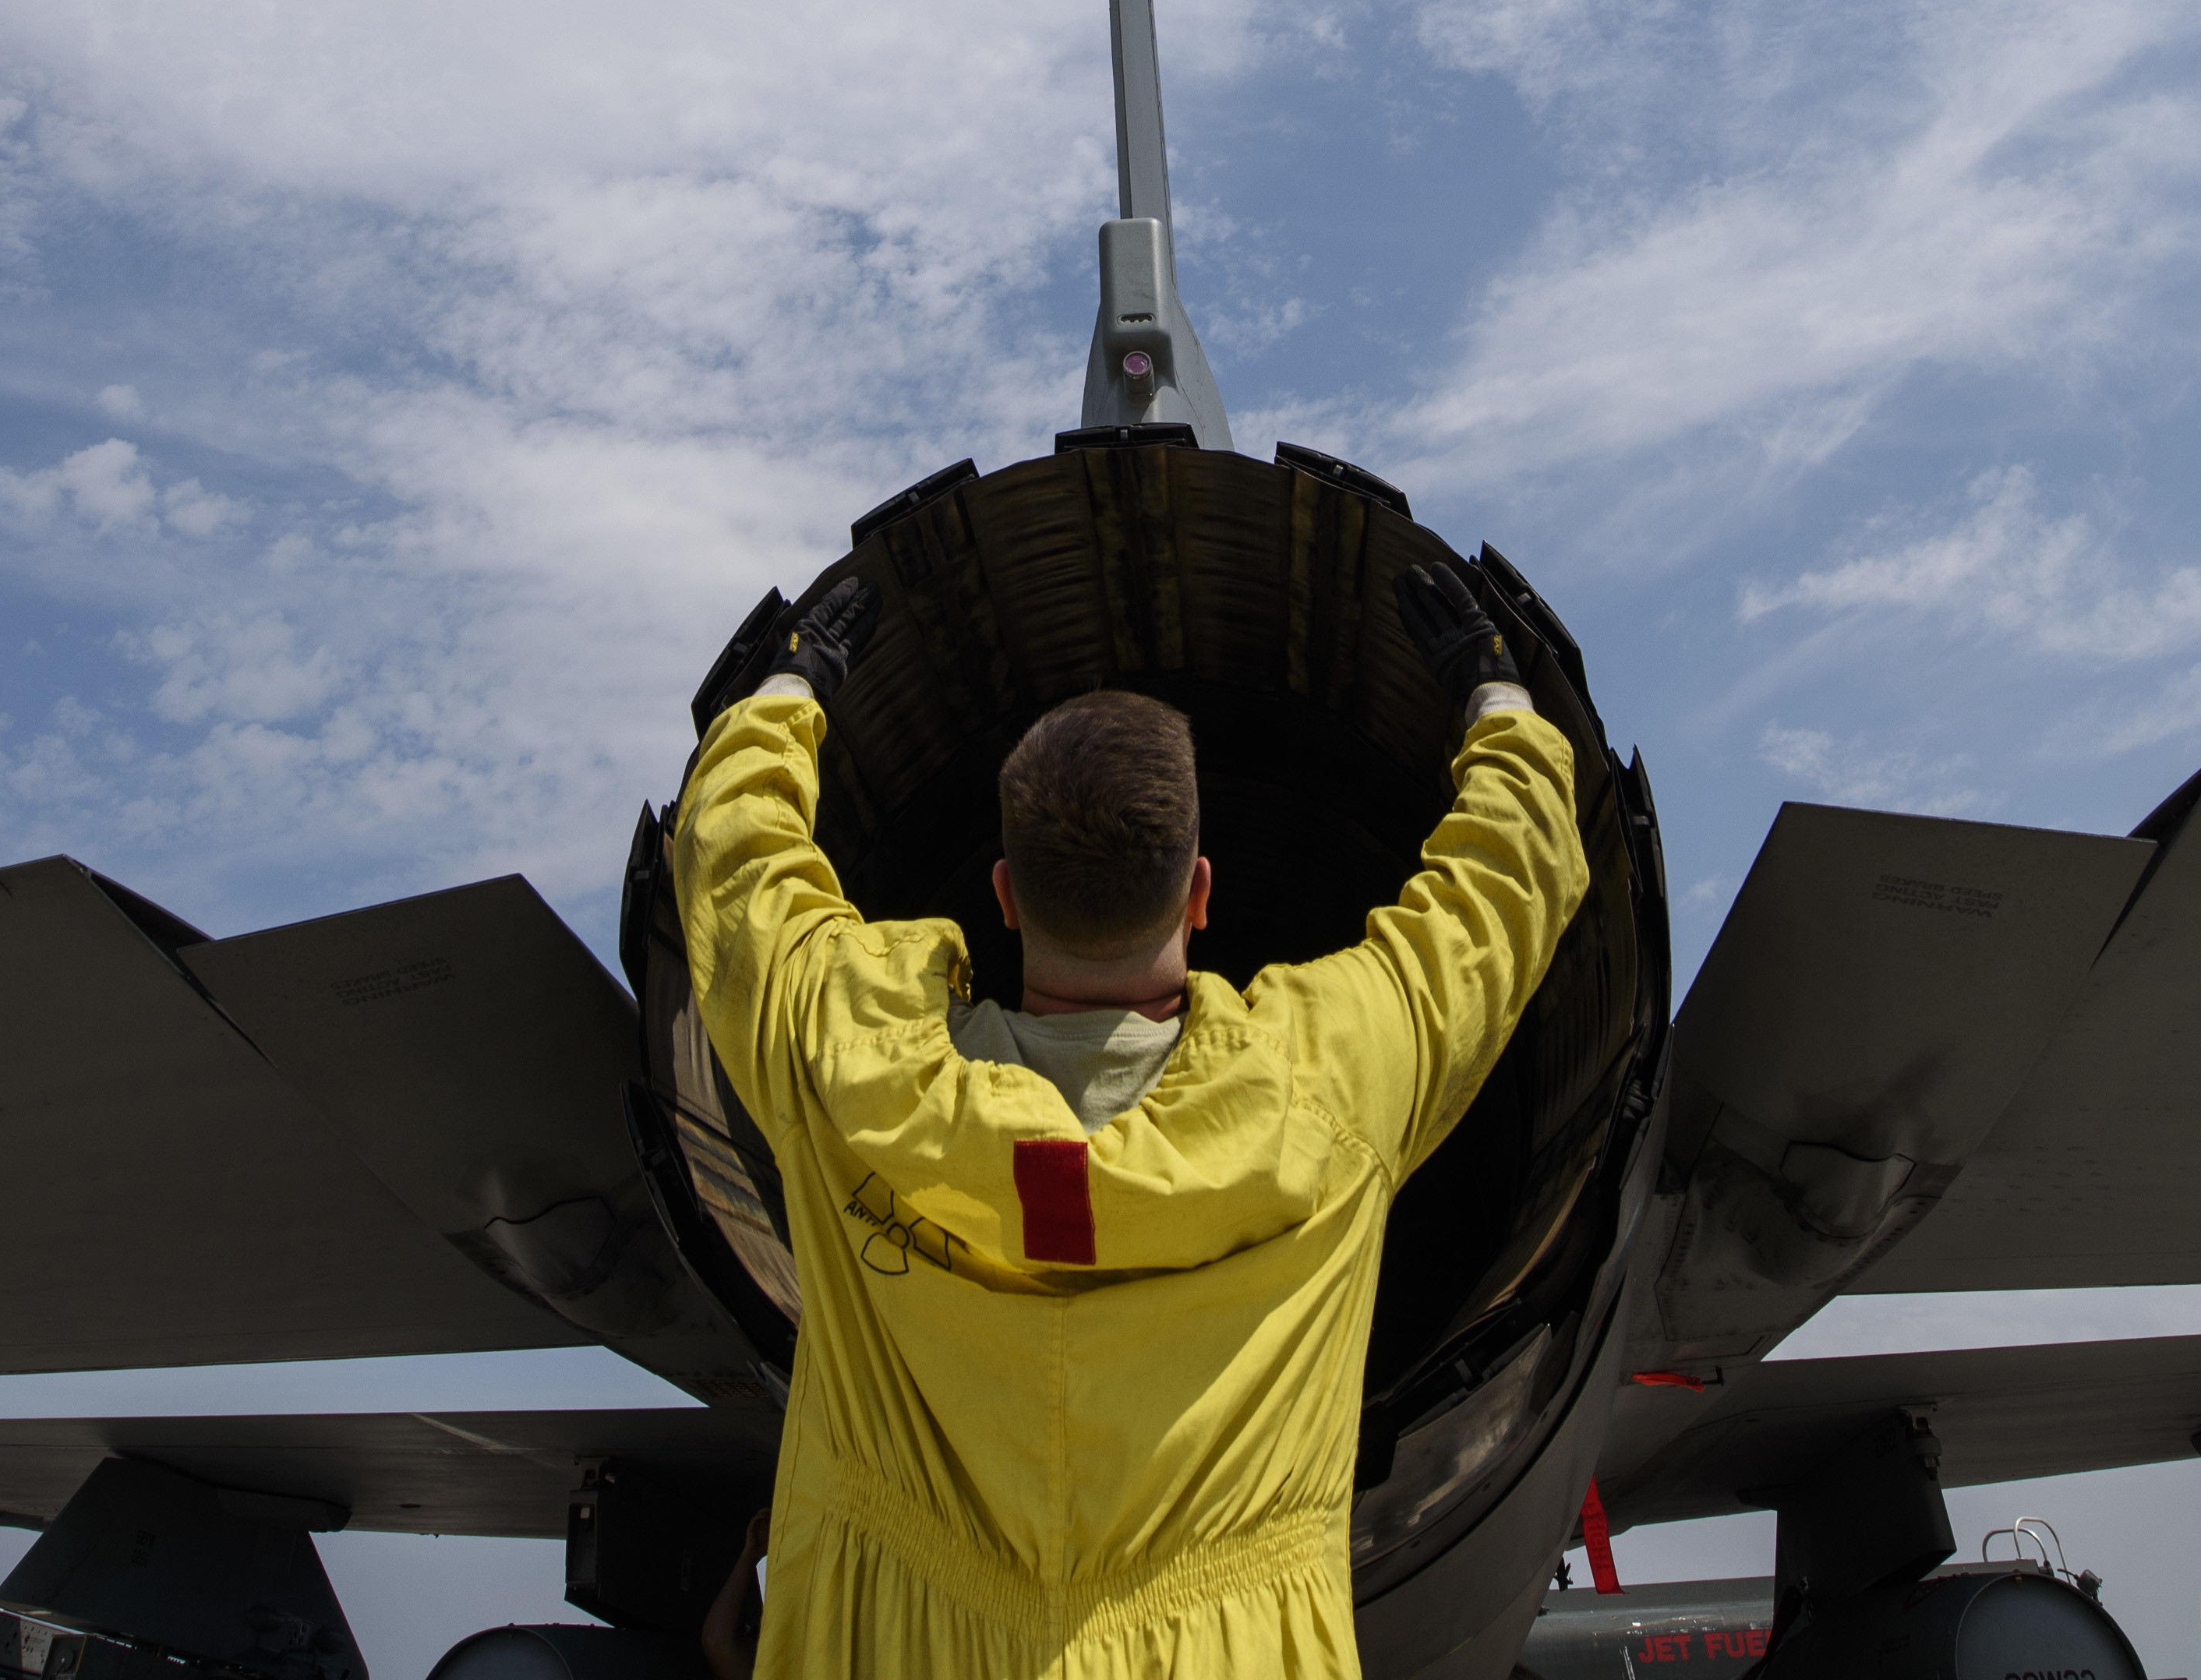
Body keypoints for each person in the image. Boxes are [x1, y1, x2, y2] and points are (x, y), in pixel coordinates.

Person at [675, 558, 1585, 1679]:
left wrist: (790, 689)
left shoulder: (842, 1057)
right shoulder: (1335, 1080)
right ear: (1200, 894)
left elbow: (734, 863)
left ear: (1004, 897)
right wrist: (1495, 695)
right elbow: (1508, 890)